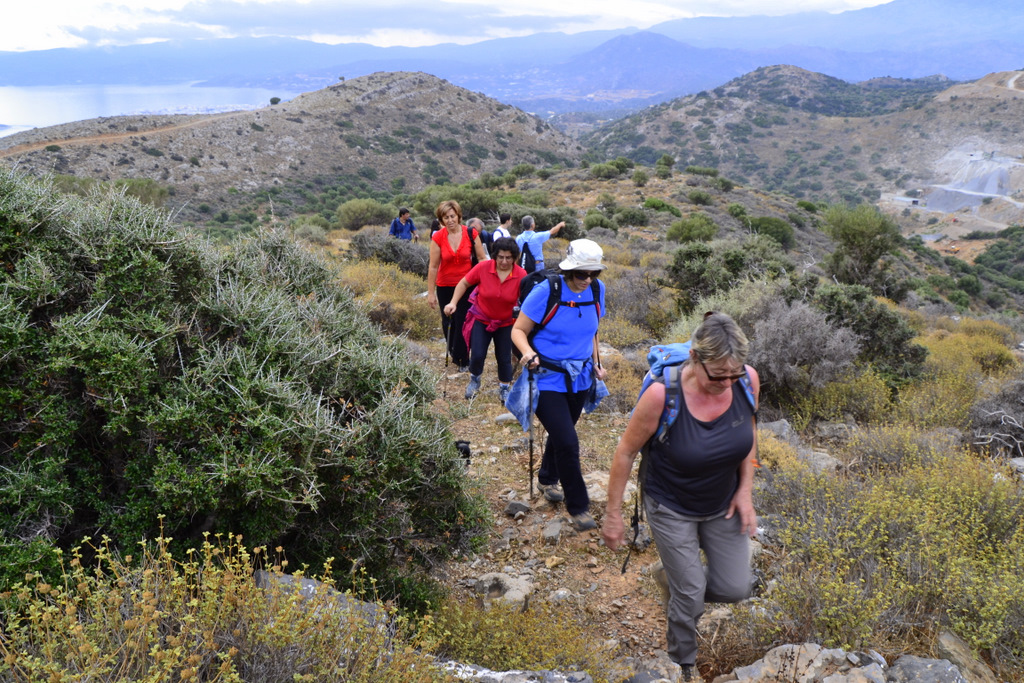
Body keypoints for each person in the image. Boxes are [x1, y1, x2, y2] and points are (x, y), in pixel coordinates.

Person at [602, 312, 760, 683]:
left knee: (736, 588)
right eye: (717, 375)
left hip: (723, 502)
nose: (726, 383)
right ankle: (681, 663)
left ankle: (667, 575)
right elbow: (624, 453)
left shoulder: (747, 381)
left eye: (733, 374)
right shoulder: (662, 395)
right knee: (690, 595)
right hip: (670, 504)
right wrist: (613, 514)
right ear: (694, 359)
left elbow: (750, 433)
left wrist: (745, 490)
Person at [511, 238, 607, 531]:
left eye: (593, 273)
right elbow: (518, 331)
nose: (587, 280)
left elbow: (592, 331)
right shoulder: (546, 292)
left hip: (580, 376)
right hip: (547, 377)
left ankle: (547, 478)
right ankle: (579, 508)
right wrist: (527, 354)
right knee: (567, 441)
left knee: (562, 431)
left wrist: (598, 362)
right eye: (581, 274)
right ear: (569, 270)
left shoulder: (596, 290)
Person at [443, 237, 526, 401]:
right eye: (500, 257)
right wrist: (453, 302)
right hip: (482, 318)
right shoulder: (483, 267)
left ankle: (504, 388)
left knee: (503, 358)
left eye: (508, 258)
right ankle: (474, 381)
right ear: (495, 255)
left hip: (506, 322)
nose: (503, 261)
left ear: (514, 258)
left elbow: (529, 298)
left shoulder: (521, 274)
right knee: (478, 355)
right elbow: (464, 283)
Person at [427, 200, 488, 372]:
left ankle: (462, 359)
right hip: (445, 286)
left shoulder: (471, 233)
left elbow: (482, 258)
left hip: (467, 285)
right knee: (448, 321)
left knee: (463, 320)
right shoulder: (438, 237)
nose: (450, 220)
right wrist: (431, 293)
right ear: (441, 219)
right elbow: (432, 266)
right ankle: (454, 351)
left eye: (452, 216)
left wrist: (484, 280)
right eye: (446, 217)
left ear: (459, 216)